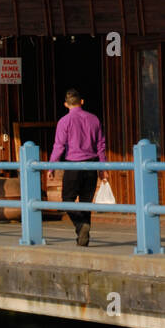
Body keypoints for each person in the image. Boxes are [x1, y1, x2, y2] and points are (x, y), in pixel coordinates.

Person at [48, 89, 108, 247]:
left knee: (67, 200)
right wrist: (103, 168)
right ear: (82, 101)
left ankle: (81, 226)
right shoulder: (94, 119)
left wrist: (51, 166)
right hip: (91, 164)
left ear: (66, 104)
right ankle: (83, 237)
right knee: (86, 202)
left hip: (73, 165)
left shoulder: (64, 121)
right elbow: (100, 146)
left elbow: (59, 146)